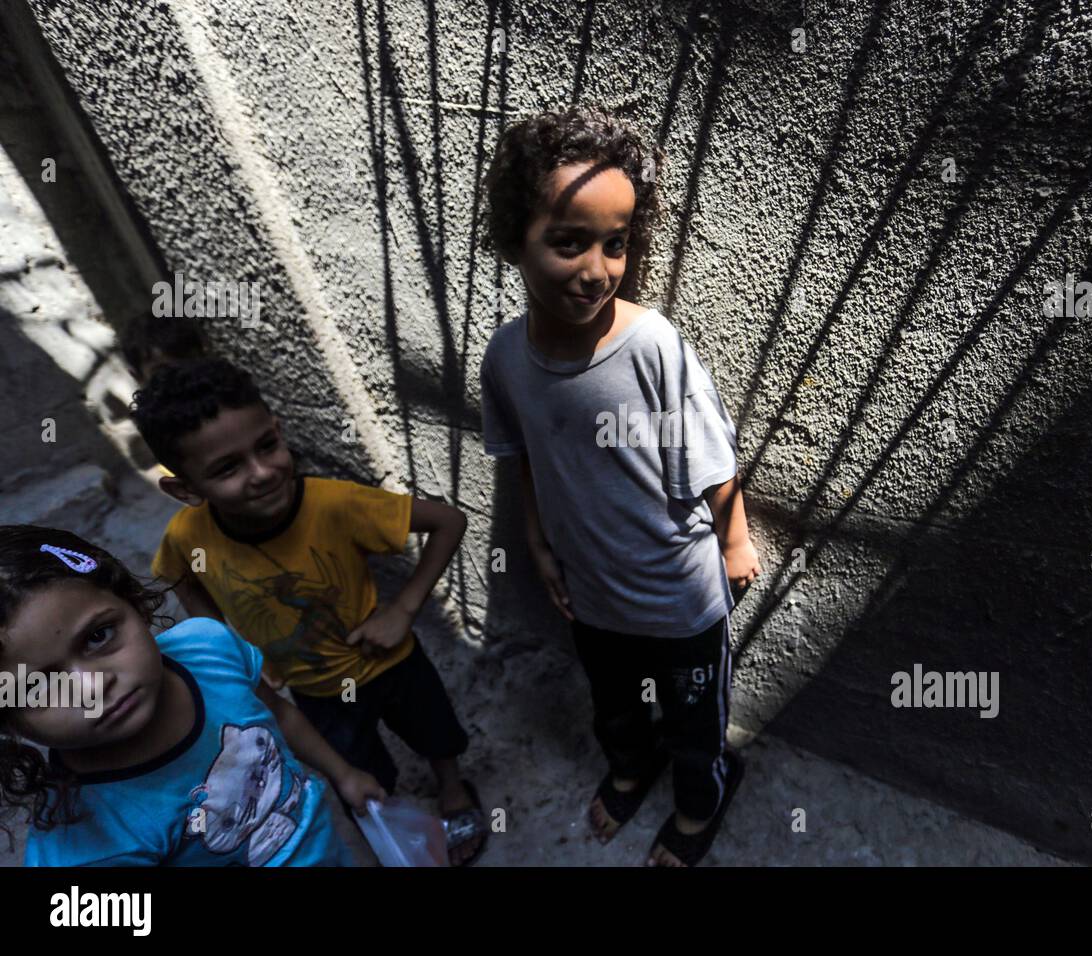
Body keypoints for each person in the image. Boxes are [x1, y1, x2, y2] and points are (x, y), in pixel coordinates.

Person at [478, 105, 761, 866]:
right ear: (515, 238)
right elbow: (526, 454)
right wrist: (534, 537)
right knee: (615, 707)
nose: (597, 269)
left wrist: (733, 542)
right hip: (591, 593)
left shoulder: (653, 346)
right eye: (569, 243)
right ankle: (633, 769)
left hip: (679, 597)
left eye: (615, 243)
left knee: (697, 722)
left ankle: (701, 803)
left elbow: (713, 457)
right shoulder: (506, 358)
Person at [131, 357, 487, 864]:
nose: (261, 473)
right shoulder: (188, 538)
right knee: (357, 770)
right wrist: (231, 653)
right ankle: (385, 820)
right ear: (185, 490)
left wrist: (403, 609)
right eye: (228, 468)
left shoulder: (334, 504)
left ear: (279, 431)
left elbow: (448, 521)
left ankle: (452, 790)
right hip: (314, 690)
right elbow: (183, 578)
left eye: (267, 446)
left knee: (435, 730)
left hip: (391, 661)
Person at [0, 524, 381, 865]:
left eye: (98, 636)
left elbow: (279, 713)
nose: (93, 687)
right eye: (40, 684)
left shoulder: (209, 646)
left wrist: (343, 773)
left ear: (134, 605)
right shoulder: (84, 841)